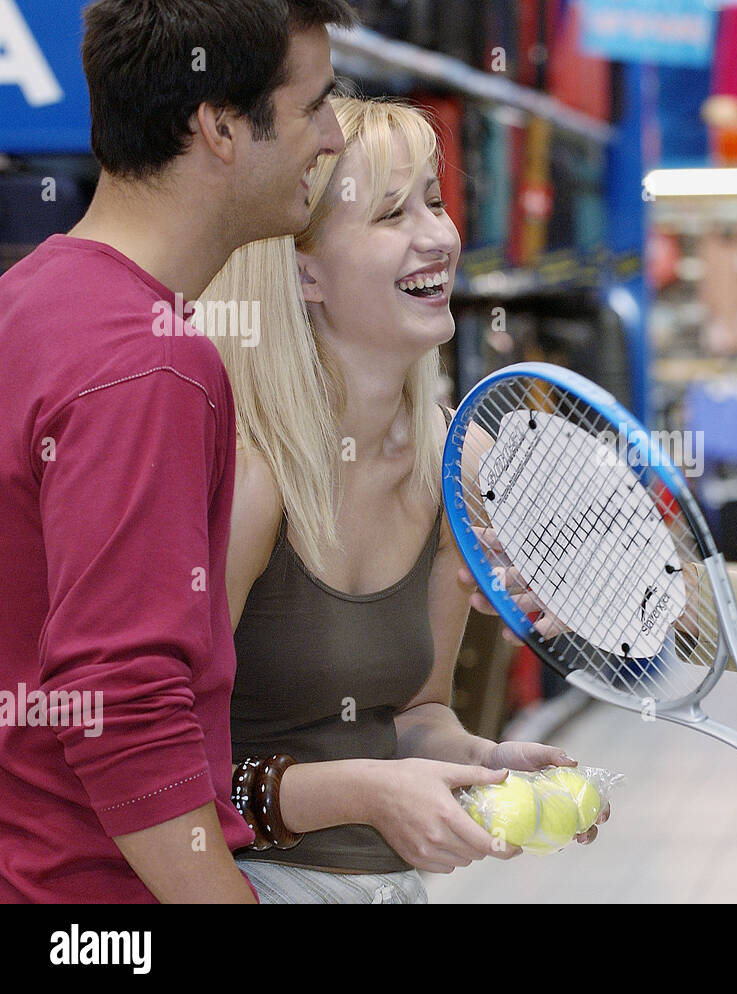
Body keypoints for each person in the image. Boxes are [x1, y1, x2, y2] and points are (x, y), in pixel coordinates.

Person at [201, 94, 607, 904]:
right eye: (390, 212)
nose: (439, 236)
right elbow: (160, 771)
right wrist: (360, 795)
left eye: (433, 198)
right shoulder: (250, 477)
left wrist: (483, 764)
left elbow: (412, 716)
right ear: (304, 270)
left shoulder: (454, 464)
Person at [0, 0, 356, 903]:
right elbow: (121, 701)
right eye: (313, 104)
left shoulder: (28, 300)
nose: (332, 136)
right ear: (220, 126)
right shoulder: (149, 359)